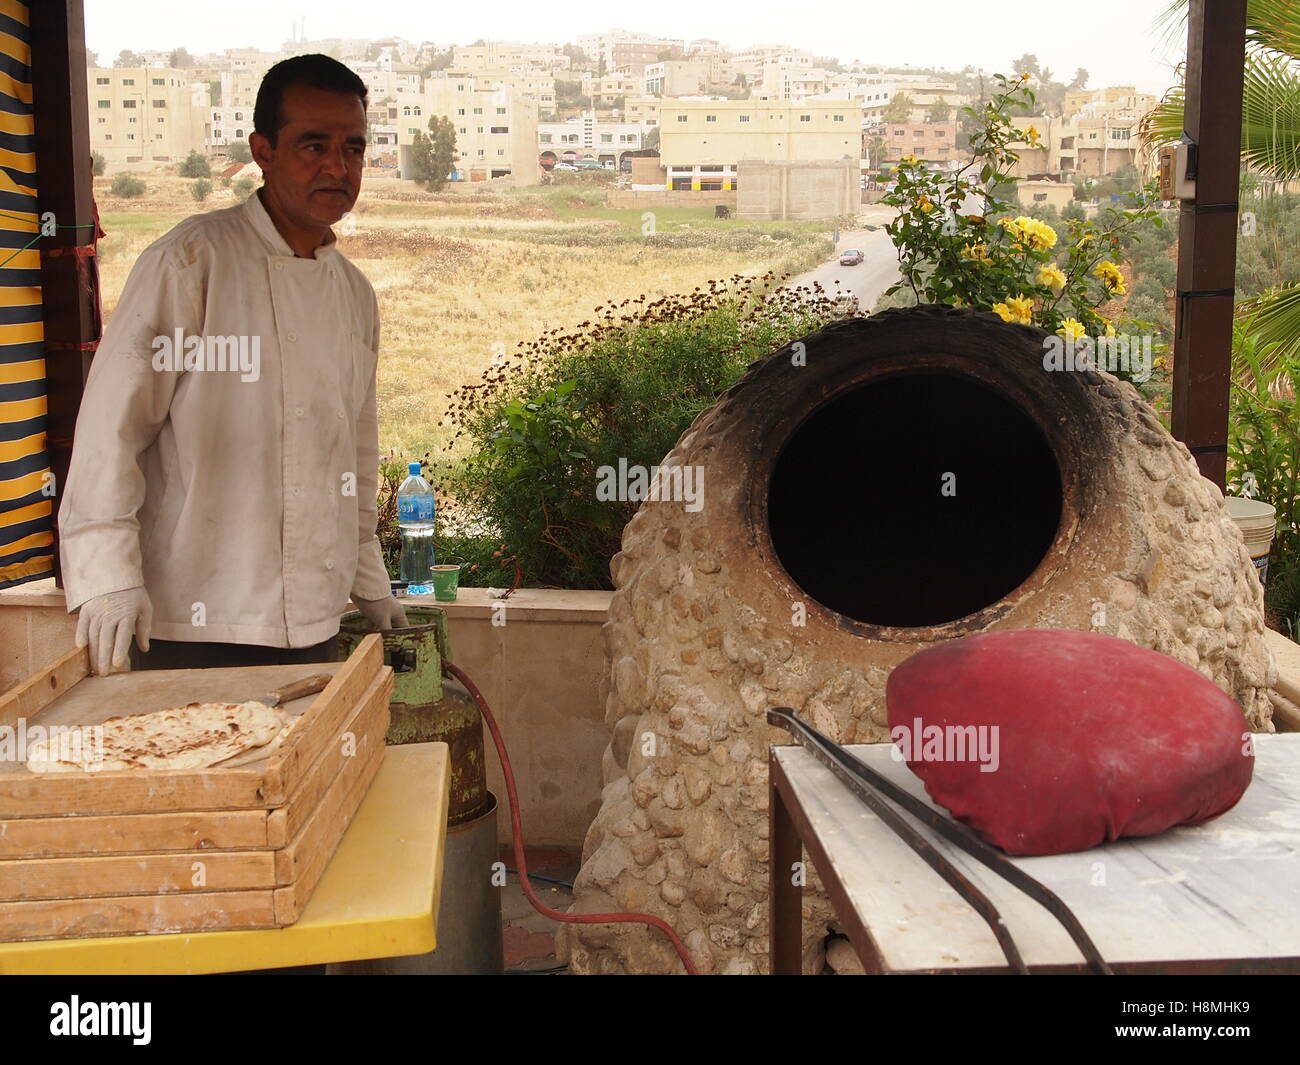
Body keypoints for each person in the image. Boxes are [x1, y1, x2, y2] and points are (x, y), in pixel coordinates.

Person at [59, 54, 407, 676]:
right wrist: (105, 574)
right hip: (189, 622)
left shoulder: (353, 293)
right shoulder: (190, 263)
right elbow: (111, 432)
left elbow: (354, 450)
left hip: (315, 624)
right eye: (313, 144)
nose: (337, 166)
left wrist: (367, 577)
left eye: (353, 148)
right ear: (263, 151)